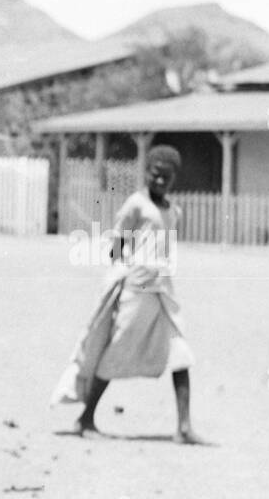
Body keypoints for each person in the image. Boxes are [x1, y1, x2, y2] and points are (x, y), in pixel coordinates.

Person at [54, 144, 198, 443]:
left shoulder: (174, 211)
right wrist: (130, 271)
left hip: (163, 291)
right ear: (147, 173)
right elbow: (116, 247)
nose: (160, 182)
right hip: (138, 289)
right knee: (117, 350)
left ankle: (184, 427)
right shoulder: (136, 204)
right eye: (156, 175)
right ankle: (86, 419)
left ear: (174, 179)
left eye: (166, 178)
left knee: (180, 352)